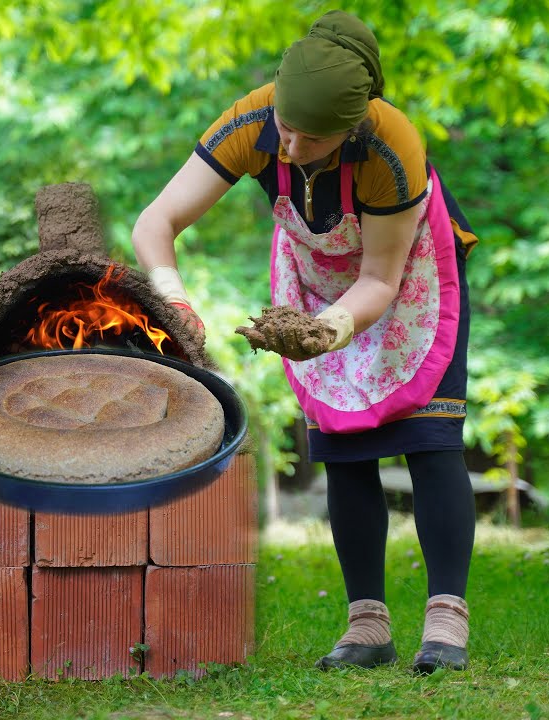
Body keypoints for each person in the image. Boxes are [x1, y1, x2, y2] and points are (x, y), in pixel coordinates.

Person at [132, 11, 479, 673]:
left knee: (433, 439)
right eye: (286, 130)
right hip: (318, 275)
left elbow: (380, 278)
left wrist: (333, 331)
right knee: (343, 447)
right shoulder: (254, 121)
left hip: (407, 279)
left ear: (353, 127)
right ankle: (367, 628)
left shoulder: (391, 145)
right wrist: (173, 298)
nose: (289, 148)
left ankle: (446, 623)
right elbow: (157, 222)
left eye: (311, 138)